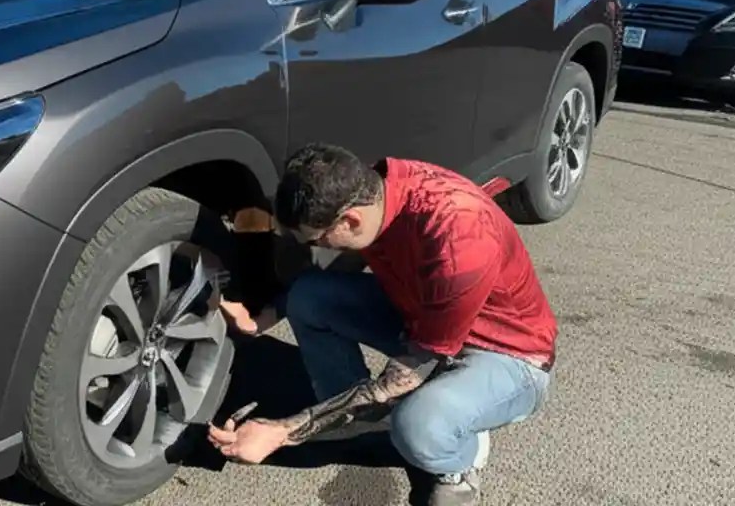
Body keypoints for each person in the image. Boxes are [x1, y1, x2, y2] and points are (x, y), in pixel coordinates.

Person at [208, 143, 557, 506]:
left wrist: (281, 431)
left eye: (316, 240)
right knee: (309, 297)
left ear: (350, 221)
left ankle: (457, 456)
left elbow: (404, 376)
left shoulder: (456, 242)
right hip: (423, 314)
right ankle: (356, 420)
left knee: (418, 424)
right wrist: (264, 316)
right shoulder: (377, 190)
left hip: (506, 355)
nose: (316, 248)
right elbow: (338, 268)